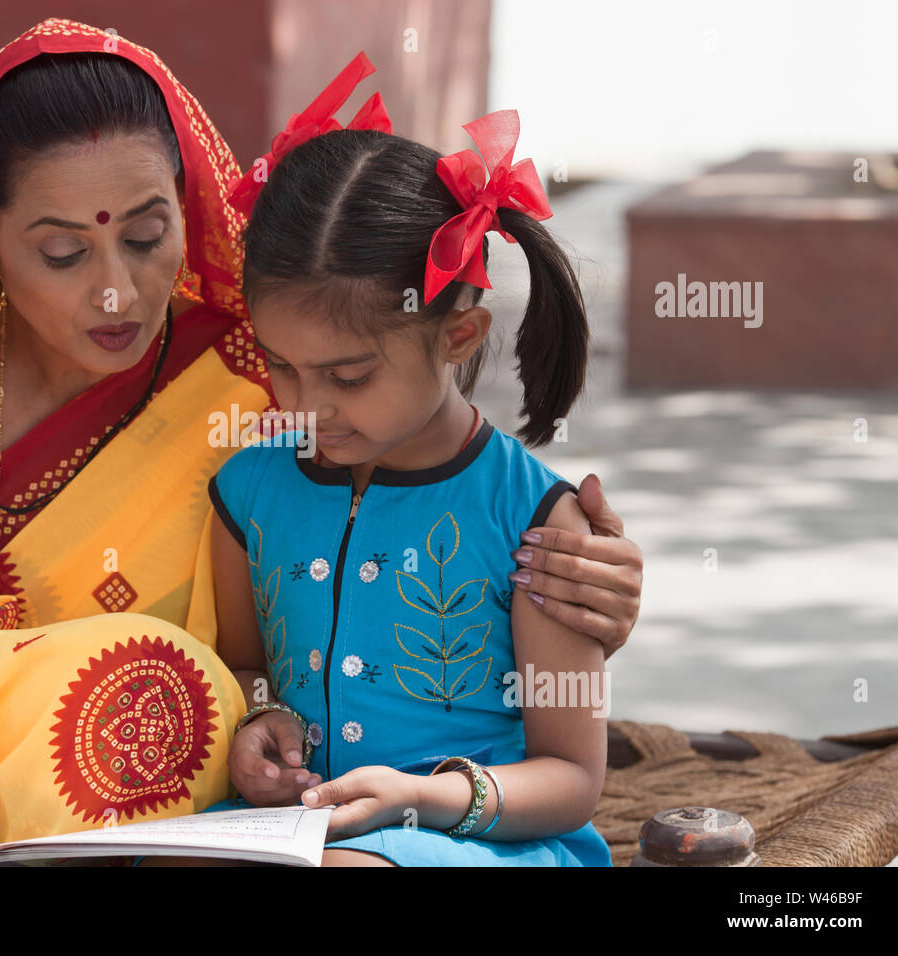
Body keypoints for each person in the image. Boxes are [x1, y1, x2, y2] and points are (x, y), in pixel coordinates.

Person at [0, 22, 639, 866]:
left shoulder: (262, 367)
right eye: (63, 251)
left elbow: (428, 458)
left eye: (148, 235)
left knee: (145, 674)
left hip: (132, 791)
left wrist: (584, 570)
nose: (117, 290)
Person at [199, 61, 613, 865]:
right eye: (280, 365)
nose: (304, 408)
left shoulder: (530, 518)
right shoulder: (248, 491)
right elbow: (244, 666)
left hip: (479, 841)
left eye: (348, 376)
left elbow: (571, 776)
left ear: (456, 336)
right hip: (292, 834)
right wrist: (258, 721)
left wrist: (425, 797)